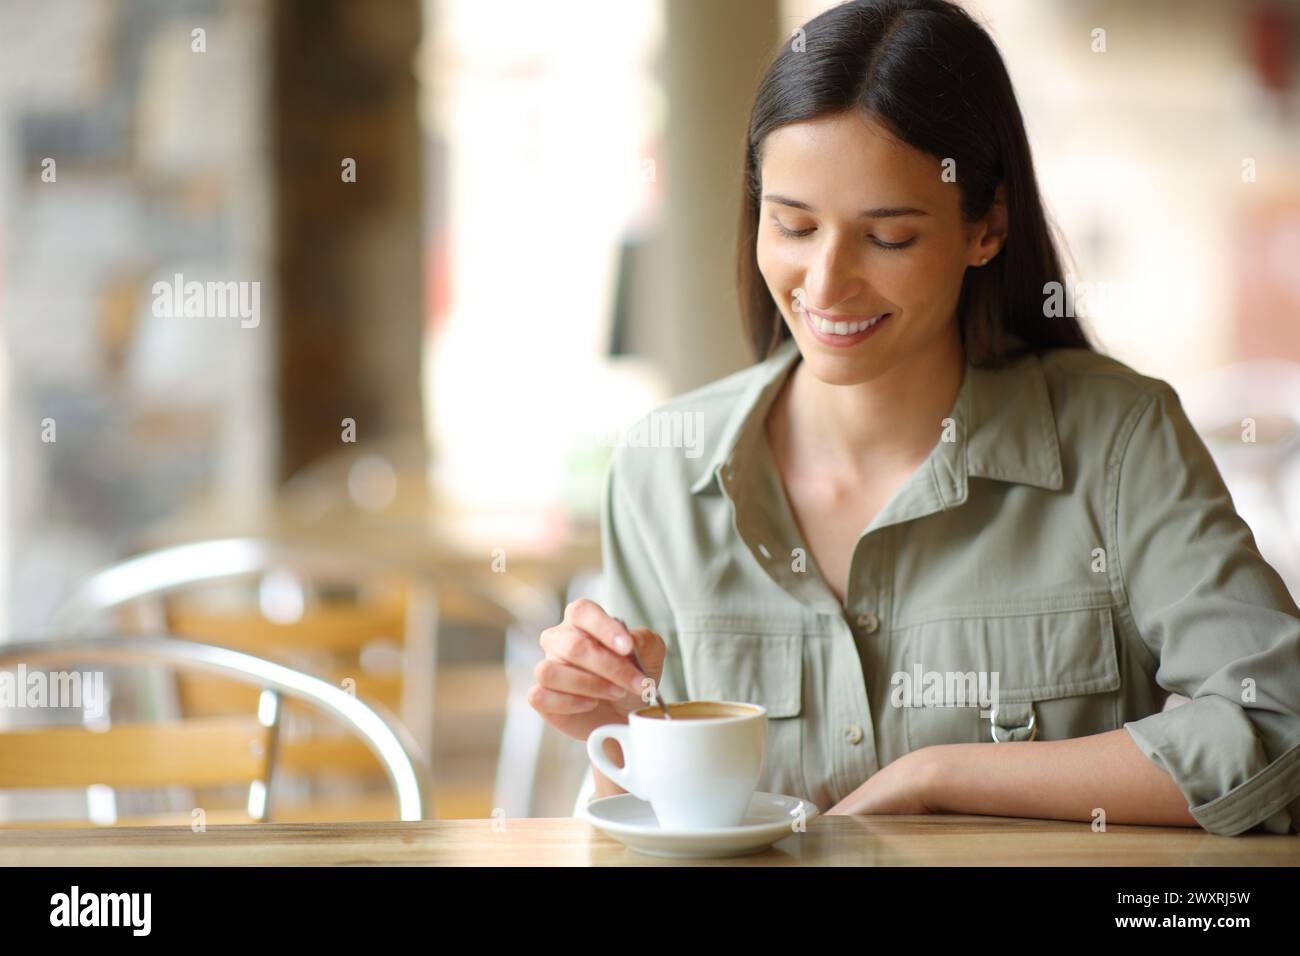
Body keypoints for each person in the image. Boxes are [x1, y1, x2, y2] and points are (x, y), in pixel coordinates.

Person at [528, 0, 1300, 836]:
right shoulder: (663, 471)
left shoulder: (1118, 441)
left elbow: (1275, 726)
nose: (824, 286)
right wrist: (608, 727)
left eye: (887, 238)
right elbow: (659, 819)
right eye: (792, 225)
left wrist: (941, 776)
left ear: (987, 227)